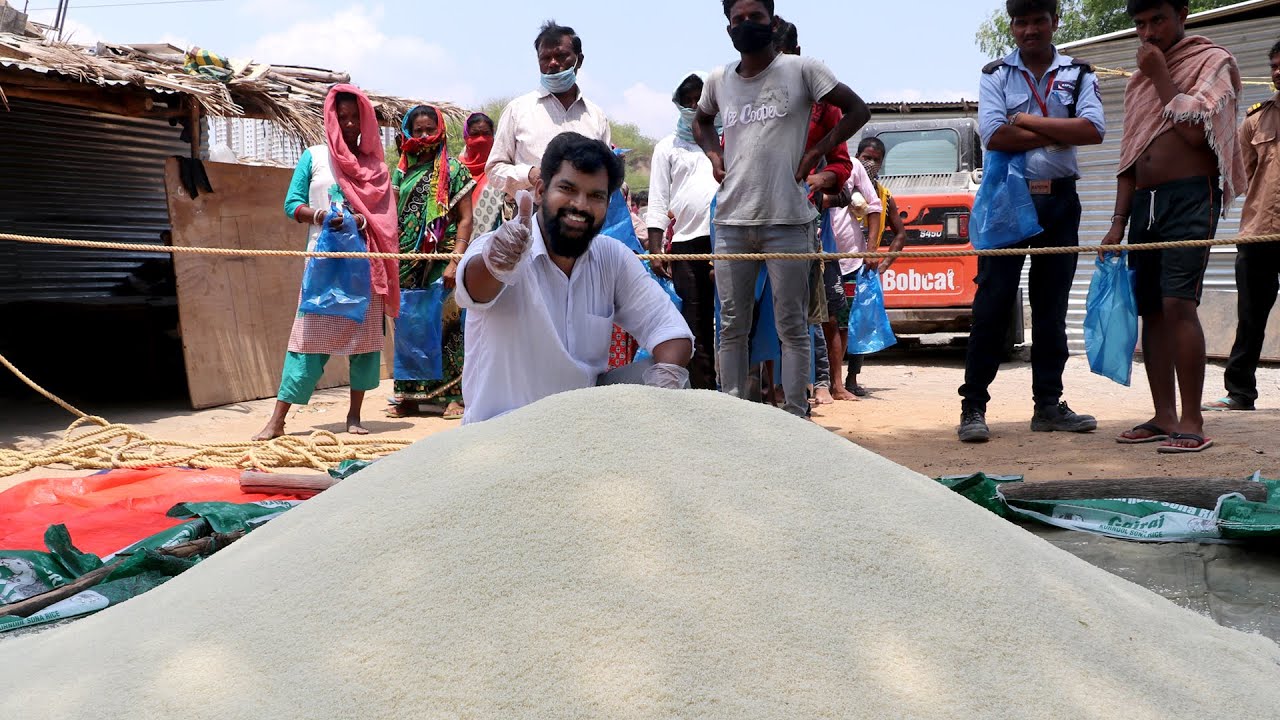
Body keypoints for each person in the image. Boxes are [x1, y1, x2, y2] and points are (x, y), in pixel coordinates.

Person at [695, 0, 870, 418]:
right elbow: (701, 122)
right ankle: (733, 417)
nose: (746, 25)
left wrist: (818, 150)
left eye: (754, 17)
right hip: (732, 221)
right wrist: (713, 156)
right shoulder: (718, 80)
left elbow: (857, 109)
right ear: (728, 29)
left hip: (789, 221)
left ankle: (796, 419)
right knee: (732, 329)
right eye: (737, 20)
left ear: (772, 22)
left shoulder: (802, 69)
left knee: (792, 327)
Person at [457, 132, 695, 424]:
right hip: (503, 434)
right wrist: (497, 264)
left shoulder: (612, 257)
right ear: (541, 191)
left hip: (579, 432)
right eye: (568, 189)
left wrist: (665, 383)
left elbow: (671, 331)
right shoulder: (502, 245)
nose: (581, 205)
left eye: (596, 196)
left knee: (676, 381)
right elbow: (476, 288)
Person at [957, 0, 1105, 444]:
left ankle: (1048, 406)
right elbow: (995, 134)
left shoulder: (1079, 73)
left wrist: (1029, 121)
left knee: (1051, 307)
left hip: (1060, 204)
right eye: (1021, 22)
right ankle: (973, 407)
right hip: (1007, 200)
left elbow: (1094, 130)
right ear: (1013, 26)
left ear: (1054, 22)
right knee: (992, 306)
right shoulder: (995, 75)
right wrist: (1060, 127)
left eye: (1038, 20)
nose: (1029, 30)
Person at [1104, 0, 1246, 453]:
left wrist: (1162, 75)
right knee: (1152, 310)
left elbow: (1193, 133)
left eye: (1158, 20)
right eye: (1140, 24)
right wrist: (1116, 221)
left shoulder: (1212, 61)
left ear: (1182, 13)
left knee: (1178, 304)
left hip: (1190, 196)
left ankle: (1192, 420)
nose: (1148, 32)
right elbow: (1129, 156)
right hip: (1143, 203)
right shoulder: (1137, 83)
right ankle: (1164, 414)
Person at [253, 85, 399, 441]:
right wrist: (320, 215)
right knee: (306, 341)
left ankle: (354, 415)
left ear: (365, 121)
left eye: (355, 118)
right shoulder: (314, 157)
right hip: (322, 266)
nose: (348, 125)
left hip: (365, 268)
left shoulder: (375, 165)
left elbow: (385, 218)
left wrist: (362, 221)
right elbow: (292, 204)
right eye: (341, 117)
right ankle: (278, 420)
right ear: (330, 119)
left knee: (364, 345)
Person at [773, 15, 856, 406]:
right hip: (753, 221)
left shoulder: (824, 104)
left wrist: (818, 178)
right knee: (755, 317)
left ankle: (808, 394)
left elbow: (842, 166)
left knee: (807, 313)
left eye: (782, 52)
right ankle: (765, 393)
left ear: (796, 54)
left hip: (804, 226)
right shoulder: (746, 93)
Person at [1204, 40, 1280, 413]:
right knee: (1250, 316)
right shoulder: (1254, 119)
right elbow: (1241, 175)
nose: (1278, 71)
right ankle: (1239, 392)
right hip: (1259, 232)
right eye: (1275, 66)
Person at [388, 105, 475, 420]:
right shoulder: (402, 170)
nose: (424, 136)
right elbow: (391, 215)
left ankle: (453, 396)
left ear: (439, 130)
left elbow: (466, 219)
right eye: (418, 130)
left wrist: (456, 260)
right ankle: (409, 395)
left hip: (442, 258)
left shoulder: (455, 169)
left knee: (447, 324)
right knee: (409, 325)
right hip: (406, 259)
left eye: (429, 129)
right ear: (409, 133)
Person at [647, 71, 721, 390]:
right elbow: (658, 199)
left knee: (736, 322)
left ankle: (744, 396)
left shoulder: (726, 139)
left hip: (729, 242)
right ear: (679, 104)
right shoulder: (667, 147)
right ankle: (704, 394)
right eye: (688, 101)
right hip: (687, 245)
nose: (694, 106)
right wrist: (655, 250)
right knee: (696, 322)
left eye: (700, 100)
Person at [846, 138, 908, 397]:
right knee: (833, 323)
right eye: (866, 157)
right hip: (839, 263)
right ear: (857, 156)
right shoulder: (844, 187)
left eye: (876, 159)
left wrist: (883, 265)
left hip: (865, 270)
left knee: (860, 324)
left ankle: (851, 379)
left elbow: (900, 235)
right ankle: (827, 380)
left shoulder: (885, 197)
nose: (869, 163)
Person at [458, 112, 495, 204]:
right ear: (466, 136)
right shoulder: (456, 171)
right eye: (475, 134)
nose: (481, 139)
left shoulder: (500, 170)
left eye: (486, 134)